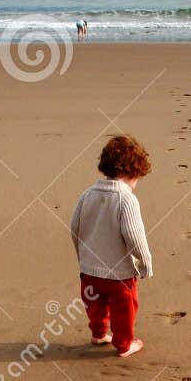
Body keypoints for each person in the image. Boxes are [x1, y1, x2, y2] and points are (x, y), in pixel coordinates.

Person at [70, 134, 152, 356]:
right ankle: (124, 344)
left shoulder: (87, 195)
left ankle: (98, 334)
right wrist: (145, 262)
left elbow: (75, 228)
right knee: (124, 308)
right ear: (133, 172)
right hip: (120, 274)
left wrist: (82, 257)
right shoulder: (126, 199)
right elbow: (135, 236)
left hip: (90, 270)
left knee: (94, 305)